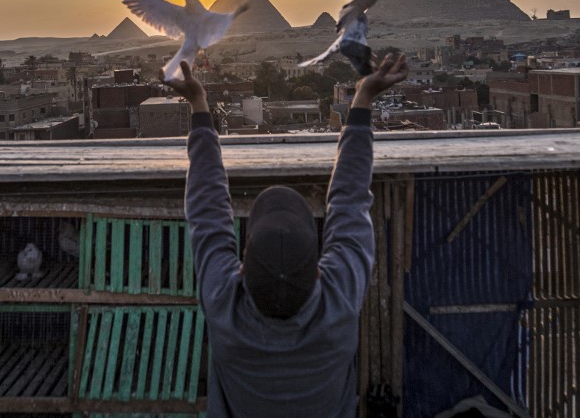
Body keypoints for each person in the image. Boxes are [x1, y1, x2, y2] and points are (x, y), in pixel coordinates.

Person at [163, 54, 409, 417]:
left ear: (242, 271)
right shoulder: (337, 306)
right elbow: (351, 198)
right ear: (320, 271)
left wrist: (198, 103)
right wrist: (364, 98)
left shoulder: (225, 307)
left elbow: (207, 207)